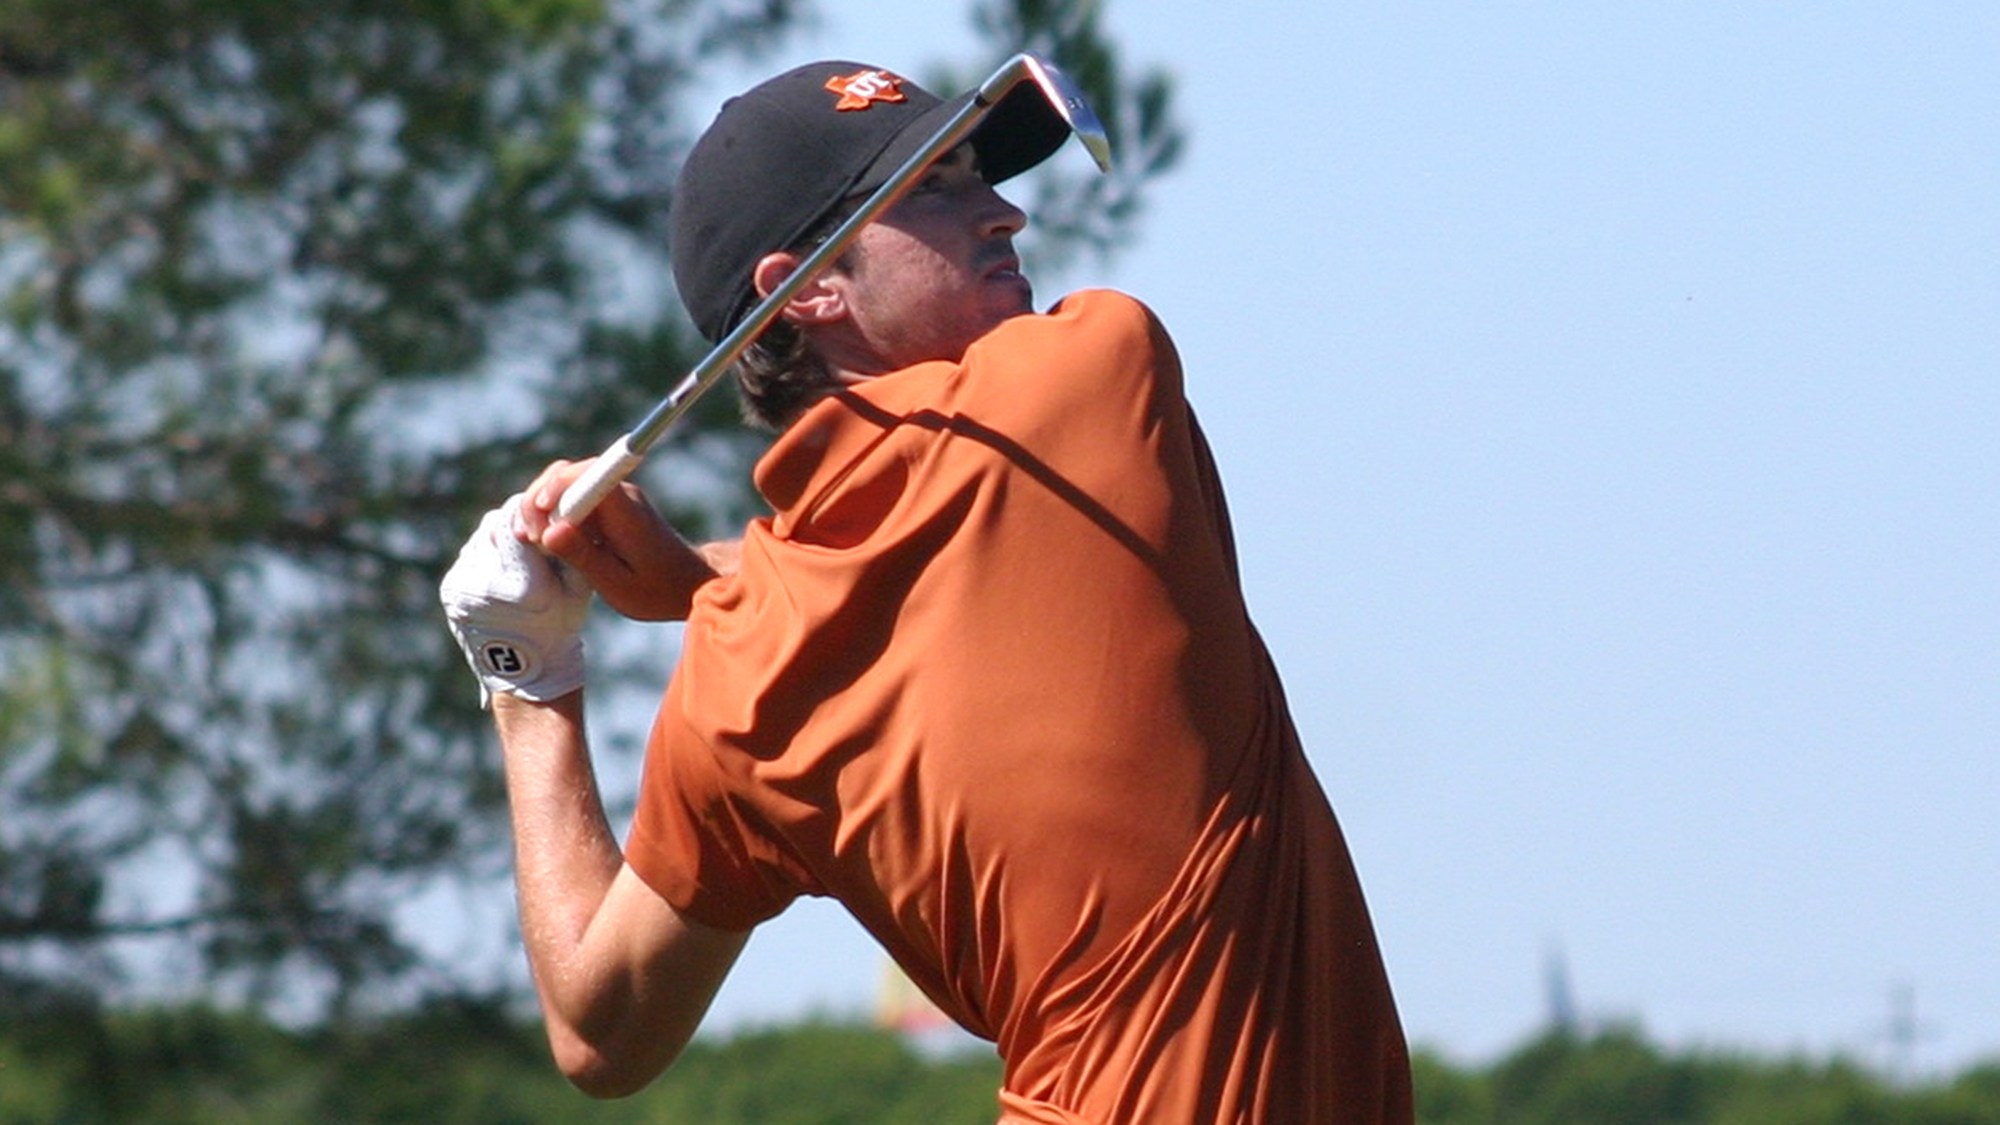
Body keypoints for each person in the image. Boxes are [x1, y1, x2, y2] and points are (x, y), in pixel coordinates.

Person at [440, 58, 1413, 1125]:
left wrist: (529, 676)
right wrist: (702, 579)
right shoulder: (1093, 373)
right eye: (937, 190)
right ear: (808, 288)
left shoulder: (741, 681)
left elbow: (598, 1031)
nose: (1006, 213)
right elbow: (928, 529)